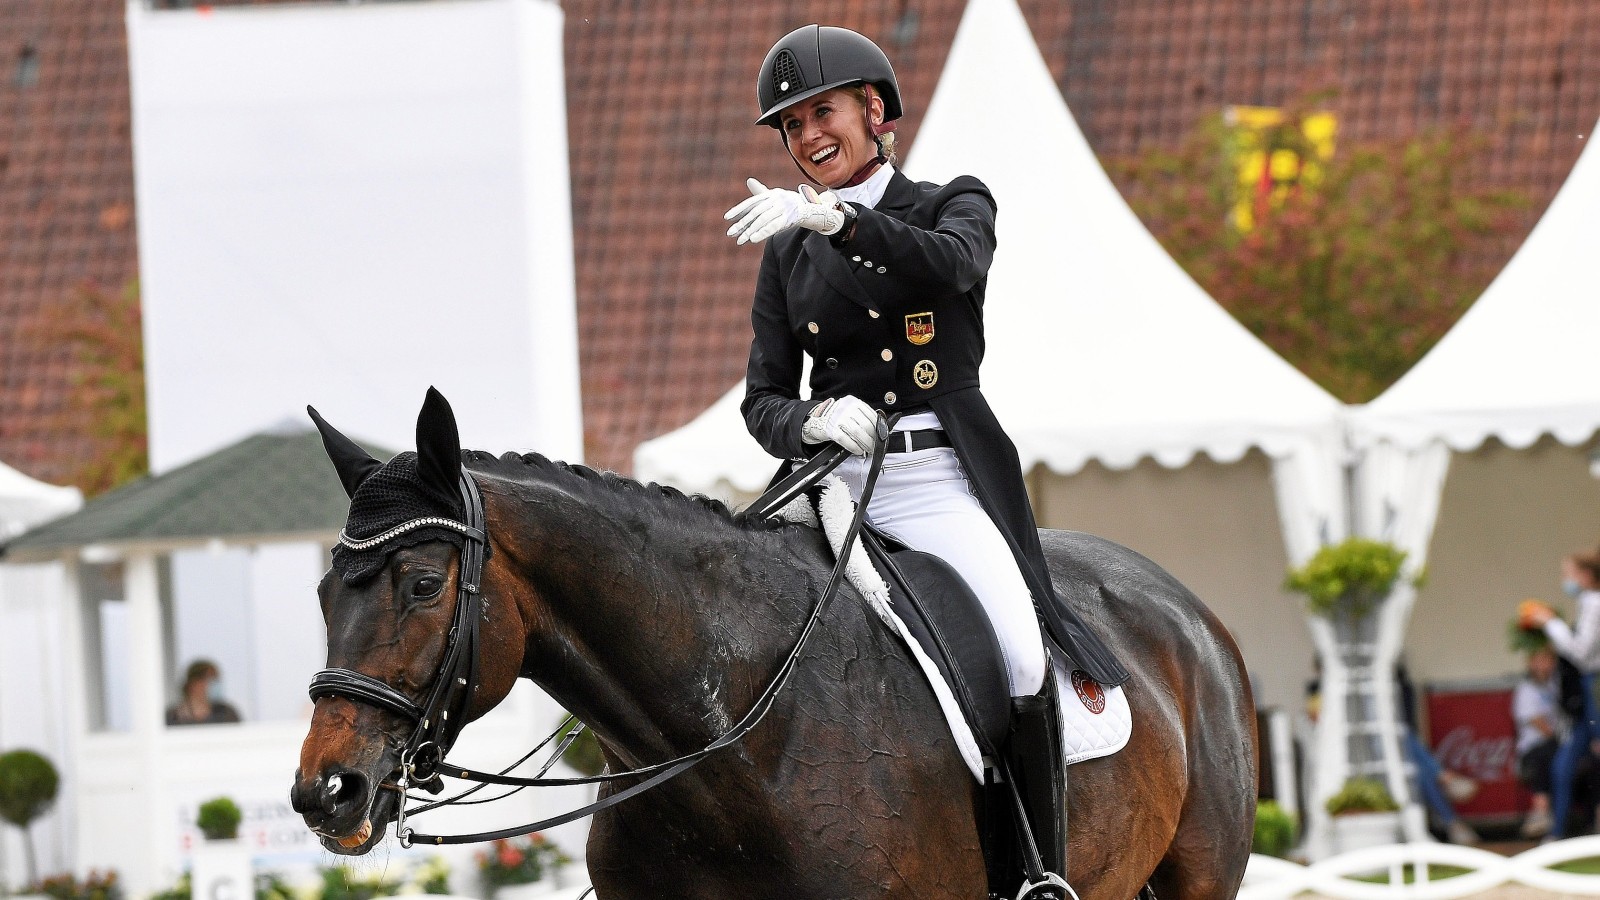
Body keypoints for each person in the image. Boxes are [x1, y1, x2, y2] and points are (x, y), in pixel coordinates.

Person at [727, 24, 1127, 895]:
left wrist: (839, 221)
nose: (806, 138)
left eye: (819, 113)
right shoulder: (784, 248)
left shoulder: (953, 202)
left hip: (934, 480)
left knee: (1021, 658)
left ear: (873, 110)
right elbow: (761, 399)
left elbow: (948, 269)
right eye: (790, 127)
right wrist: (814, 419)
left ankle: (1037, 874)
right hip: (828, 485)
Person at [1522, 546, 1600, 840]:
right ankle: (1556, 833)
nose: (1564, 579)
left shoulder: (1594, 602)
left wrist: (1551, 624)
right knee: (1562, 765)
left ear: (1585, 575)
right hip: (1584, 692)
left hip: (1595, 687)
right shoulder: (1587, 602)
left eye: (1568, 574)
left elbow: (1581, 652)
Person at [1513, 645, 1563, 838]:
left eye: (1547, 659)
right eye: (1538, 659)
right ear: (1530, 663)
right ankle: (1540, 811)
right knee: (1546, 752)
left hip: (1554, 747)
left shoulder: (1557, 684)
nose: (1543, 665)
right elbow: (1543, 728)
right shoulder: (1526, 689)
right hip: (1532, 752)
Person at [166, 659, 242, 726]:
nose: (215, 684)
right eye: (211, 679)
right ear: (194, 683)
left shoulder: (227, 713)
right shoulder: (173, 716)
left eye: (216, 680)